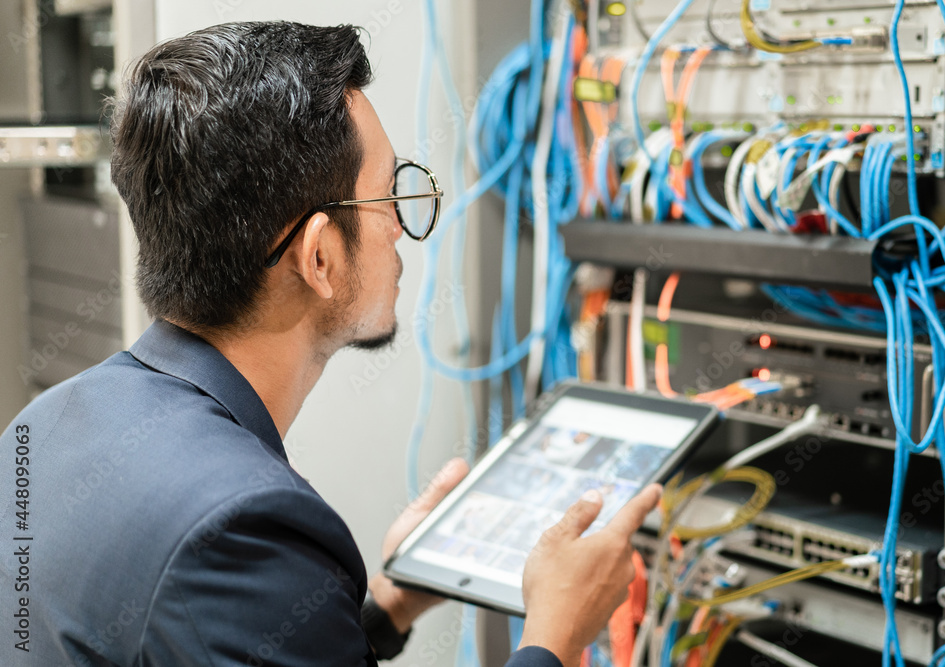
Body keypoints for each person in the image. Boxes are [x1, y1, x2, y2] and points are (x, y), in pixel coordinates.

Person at [0, 21, 660, 667]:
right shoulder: (246, 527)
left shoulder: (43, 427)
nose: (400, 228)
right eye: (386, 196)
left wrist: (385, 606)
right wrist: (554, 634)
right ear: (319, 257)